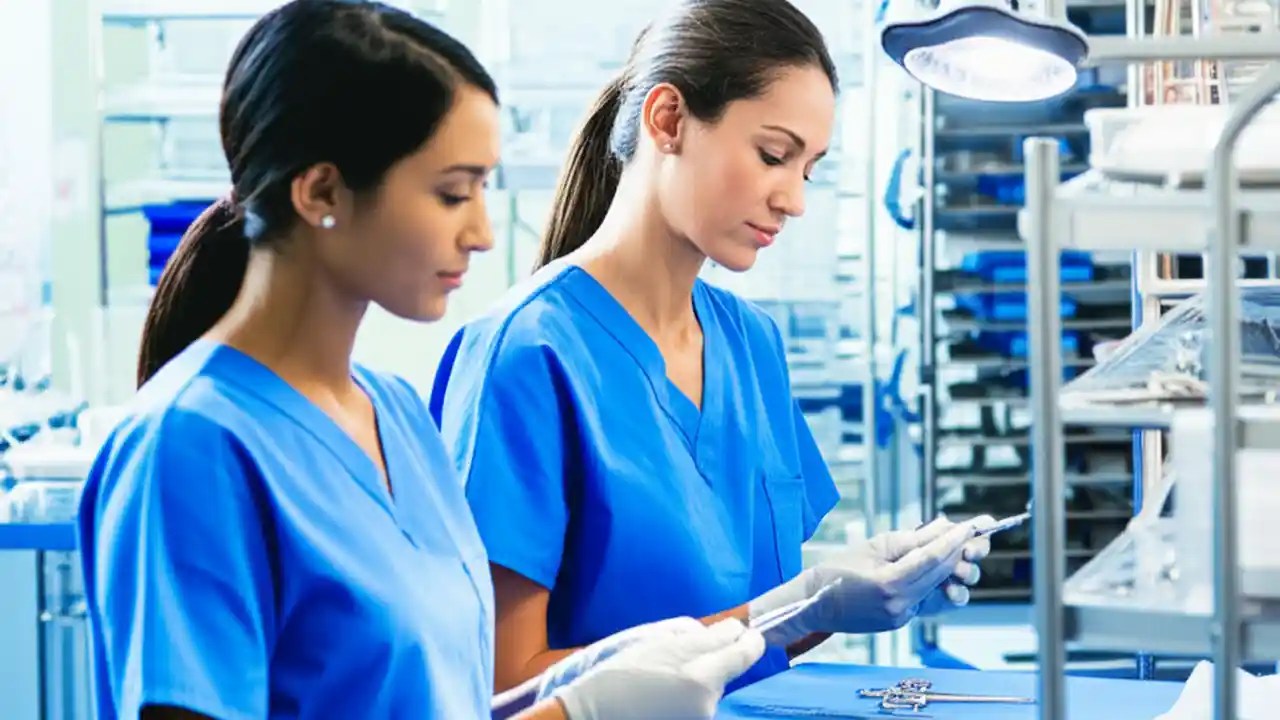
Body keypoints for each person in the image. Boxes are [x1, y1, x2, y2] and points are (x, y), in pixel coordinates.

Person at [75, 3, 765, 719]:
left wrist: (594, 678)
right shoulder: (191, 448)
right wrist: (572, 717)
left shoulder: (395, 414)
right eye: (450, 194)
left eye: (483, 191)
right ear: (322, 192)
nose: (482, 234)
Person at [431, 0, 994, 695]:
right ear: (668, 120)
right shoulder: (526, 354)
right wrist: (793, 606)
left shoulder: (751, 345)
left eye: (809, 169)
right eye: (773, 155)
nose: (794, 200)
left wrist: (874, 592)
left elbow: (755, 639)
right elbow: (500, 688)